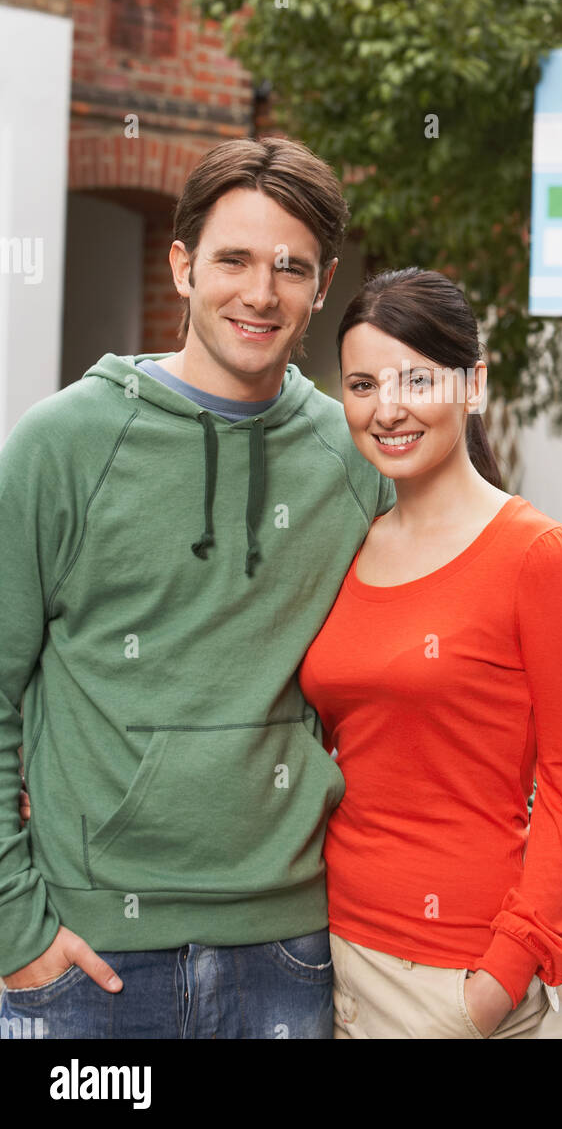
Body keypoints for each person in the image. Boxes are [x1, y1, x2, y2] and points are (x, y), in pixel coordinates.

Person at [0, 136, 395, 1040]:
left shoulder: (354, 459)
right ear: (182, 266)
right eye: (235, 260)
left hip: (289, 951)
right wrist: (13, 929)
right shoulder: (61, 445)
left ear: (322, 285)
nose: (261, 294)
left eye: (291, 268)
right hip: (85, 957)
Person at [297, 266, 562, 1039]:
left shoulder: (539, 557)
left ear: (473, 384)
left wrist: (498, 982)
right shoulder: (351, 544)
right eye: (363, 384)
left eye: (416, 378)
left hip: (450, 979)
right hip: (322, 954)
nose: (388, 408)